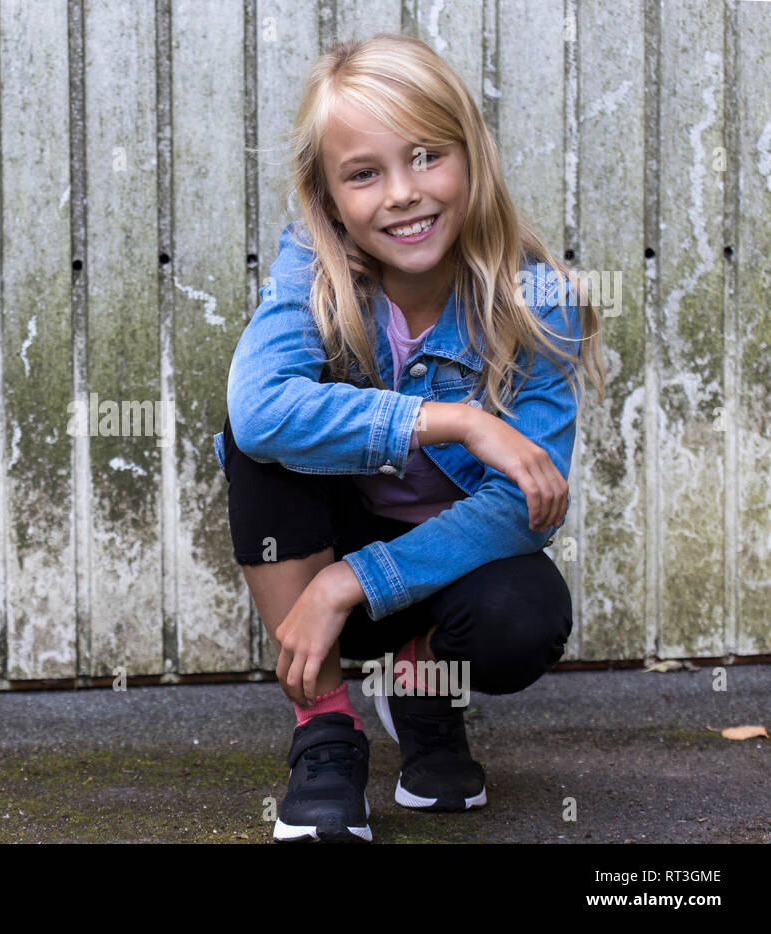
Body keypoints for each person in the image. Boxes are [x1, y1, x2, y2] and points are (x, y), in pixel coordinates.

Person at [212, 33, 607, 843]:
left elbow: (529, 503)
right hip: (321, 562)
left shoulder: (535, 303)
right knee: (256, 444)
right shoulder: (309, 274)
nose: (401, 194)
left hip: (426, 573)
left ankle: (423, 685)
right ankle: (324, 729)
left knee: (526, 616)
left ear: (472, 157)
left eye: (426, 156)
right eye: (364, 172)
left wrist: (350, 583)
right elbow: (260, 412)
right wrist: (454, 420)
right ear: (327, 197)